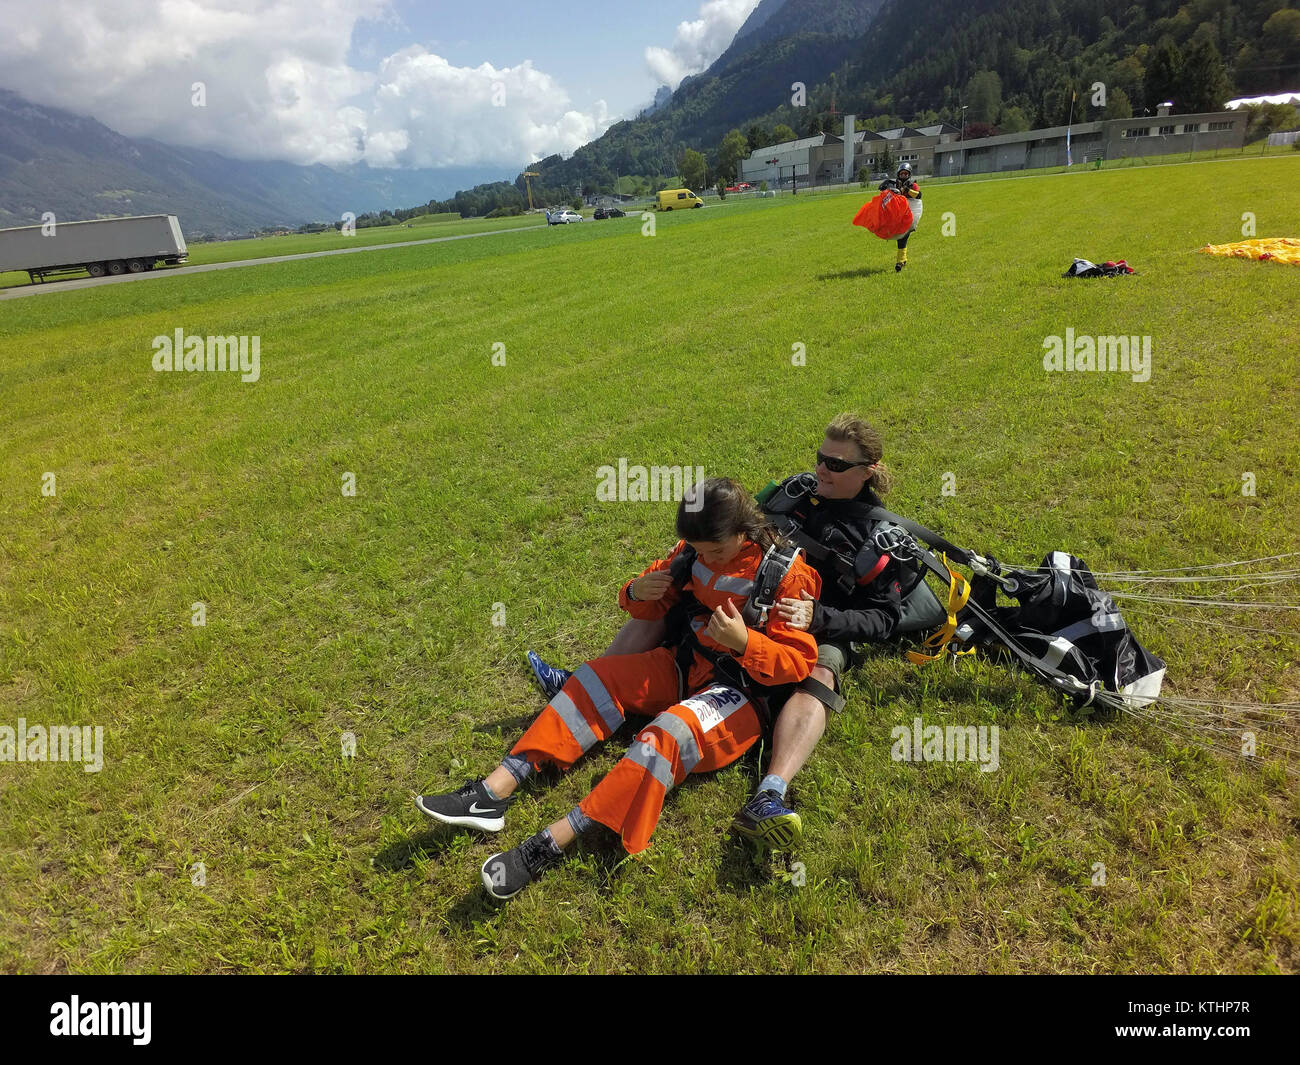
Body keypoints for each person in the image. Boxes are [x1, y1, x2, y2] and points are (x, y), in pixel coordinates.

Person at [527, 414, 945, 848]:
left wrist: (820, 618)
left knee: (818, 676)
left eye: (837, 465)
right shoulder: (795, 494)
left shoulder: (879, 535)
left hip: (817, 626)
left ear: (868, 472)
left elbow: (884, 618)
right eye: (822, 458)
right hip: (751, 598)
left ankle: (771, 791)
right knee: (663, 600)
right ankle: (587, 679)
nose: (822, 469)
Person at [416, 478, 821, 899]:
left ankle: (551, 842)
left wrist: (745, 643)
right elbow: (647, 597)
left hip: (741, 693)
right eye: (698, 551)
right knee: (594, 677)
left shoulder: (787, 575)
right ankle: (492, 792)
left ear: (743, 530)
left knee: (666, 734)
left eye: (716, 552)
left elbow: (796, 665)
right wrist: (634, 591)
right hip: (687, 666)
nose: (705, 559)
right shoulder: (691, 551)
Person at [878, 163, 922, 271]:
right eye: (901, 173)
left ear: (909, 175)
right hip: (897, 215)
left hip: (909, 215)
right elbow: (881, 189)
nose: (903, 176)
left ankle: (900, 261)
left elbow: (919, 195)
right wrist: (886, 186)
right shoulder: (894, 184)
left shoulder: (912, 185)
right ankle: (903, 259)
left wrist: (907, 190)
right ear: (898, 174)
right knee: (900, 237)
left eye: (905, 174)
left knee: (903, 237)